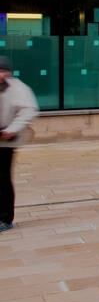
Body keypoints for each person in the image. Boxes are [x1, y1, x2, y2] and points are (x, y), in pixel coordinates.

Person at [0, 56, 38, 233]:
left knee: (2, 178)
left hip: (7, 138)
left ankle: (5, 219)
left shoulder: (19, 89)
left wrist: (12, 129)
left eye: (2, 71)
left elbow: (28, 110)